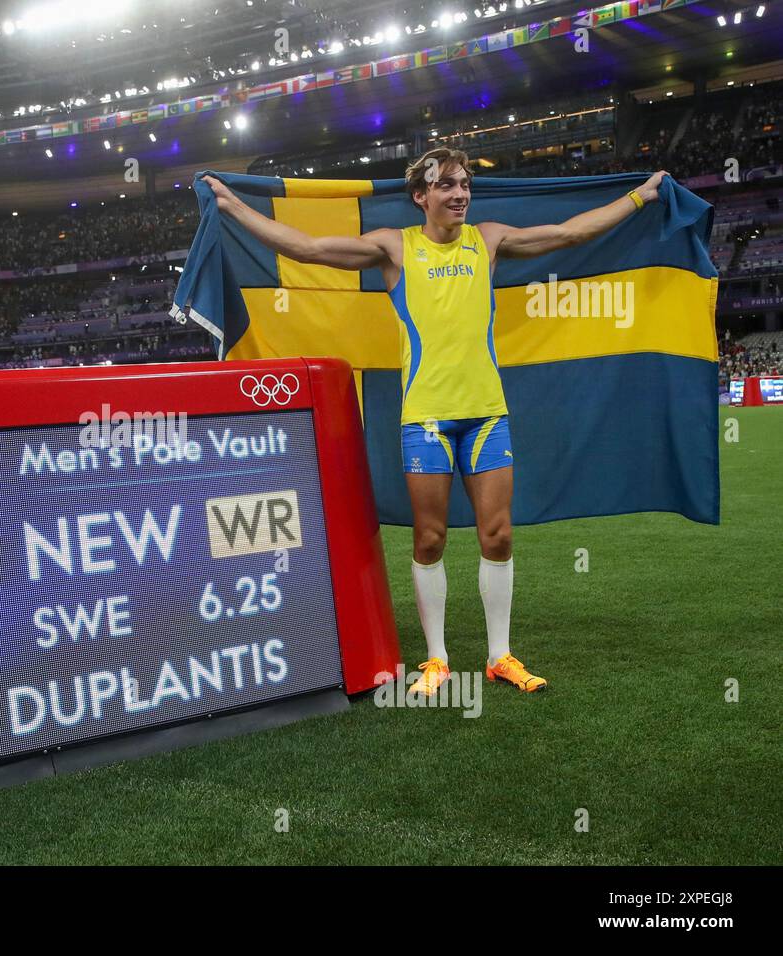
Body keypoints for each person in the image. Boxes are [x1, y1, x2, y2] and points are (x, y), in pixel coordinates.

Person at [204, 148, 668, 696]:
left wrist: (640, 197)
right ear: (421, 196)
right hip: (424, 419)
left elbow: (568, 234)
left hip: (486, 414)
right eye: (446, 185)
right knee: (430, 538)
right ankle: (437, 659)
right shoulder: (395, 248)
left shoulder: (488, 239)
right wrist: (235, 209)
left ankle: (500, 656)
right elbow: (307, 247)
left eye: (465, 183)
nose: (460, 194)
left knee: (498, 536)